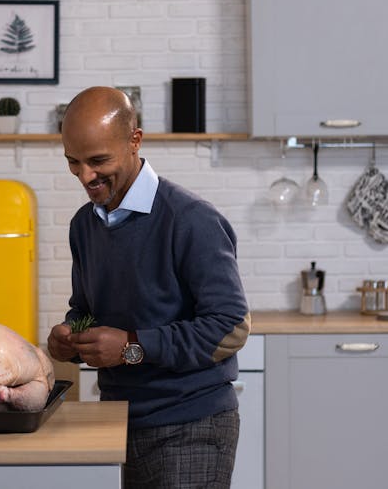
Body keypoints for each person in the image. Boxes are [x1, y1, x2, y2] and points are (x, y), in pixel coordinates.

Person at [46, 86, 251, 489]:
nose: (85, 176)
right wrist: (70, 337)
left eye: (98, 160)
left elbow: (232, 327)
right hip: (117, 421)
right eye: (73, 162)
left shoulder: (190, 219)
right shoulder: (83, 226)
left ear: (135, 140)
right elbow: (86, 308)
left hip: (192, 424)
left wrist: (130, 346)